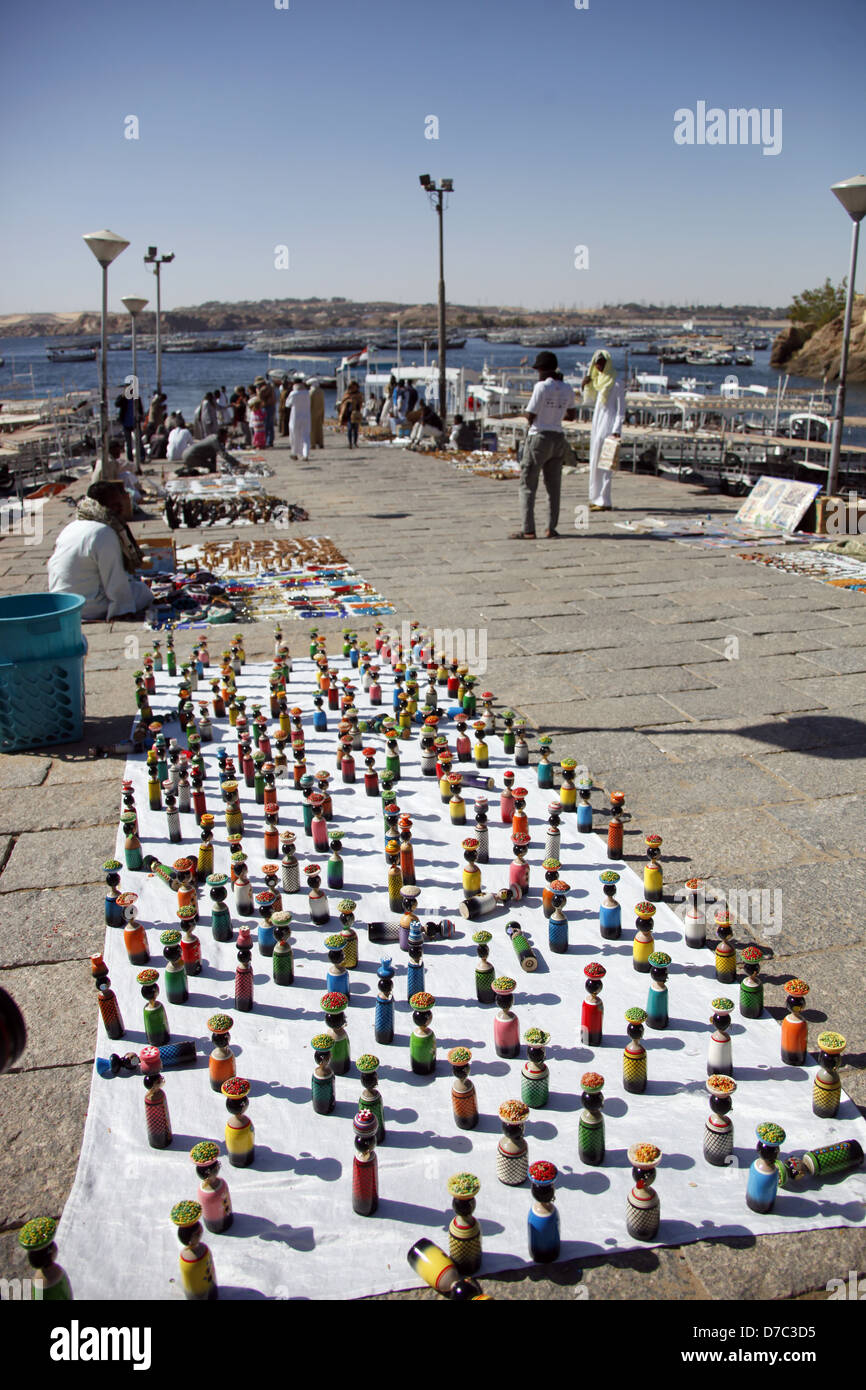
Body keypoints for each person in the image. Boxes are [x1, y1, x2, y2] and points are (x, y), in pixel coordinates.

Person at [47, 481, 152, 621]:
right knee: (143, 592)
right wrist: (123, 609)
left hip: (62, 604)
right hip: (87, 607)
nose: (121, 510)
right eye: (116, 506)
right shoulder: (103, 531)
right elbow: (114, 578)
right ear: (102, 506)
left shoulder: (72, 526)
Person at [511, 350, 576, 540]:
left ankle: (528, 529)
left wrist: (539, 417)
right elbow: (571, 415)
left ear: (542, 369)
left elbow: (531, 414)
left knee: (528, 485)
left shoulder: (541, 387)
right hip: (558, 438)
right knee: (553, 488)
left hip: (539, 437)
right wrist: (555, 415)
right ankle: (551, 528)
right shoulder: (567, 388)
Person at [582, 350, 625, 510]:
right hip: (597, 424)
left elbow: (621, 409)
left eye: (601, 363)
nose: (598, 367)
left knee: (606, 464)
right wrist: (585, 385)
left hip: (609, 425)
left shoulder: (616, 382)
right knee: (594, 461)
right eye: (596, 364)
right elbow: (590, 400)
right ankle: (594, 497)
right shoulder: (598, 381)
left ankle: (604, 500)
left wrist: (616, 430)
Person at [177, 428, 242, 475]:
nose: (226, 439)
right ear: (222, 436)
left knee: (212, 467)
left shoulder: (213, 437)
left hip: (186, 453)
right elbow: (224, 455)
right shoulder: (215, 441)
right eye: (225, 437)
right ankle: (188, 465)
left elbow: (213, 455)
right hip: (190, 456)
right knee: (211, 466)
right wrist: (237, 463)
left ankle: (188, 465)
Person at [288, 376, 311, 459]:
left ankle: (294, 453)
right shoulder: (307, 393)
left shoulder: (293, 393)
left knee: (294, 435)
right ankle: (305, 454)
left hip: (295, 417)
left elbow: (288, 404)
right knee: (305, 435)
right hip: (306, 416)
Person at [339, 381, 362, 448]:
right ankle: (350, 443)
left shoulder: (358, 395)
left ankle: (355, 442)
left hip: (356, 414)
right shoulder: (347, 394)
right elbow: (343, 403)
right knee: (349, 429)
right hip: (348, 414)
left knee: (355, 429)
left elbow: (360, 403)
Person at [258, 377, 276, 447]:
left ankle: (267, 441)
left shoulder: (264, 389)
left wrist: (258, 391)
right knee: (270, 425)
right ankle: (270, 441)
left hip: (267, 407)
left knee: (266, 425)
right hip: (271, 406)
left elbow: (260, 396)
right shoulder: (270, 387)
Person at [308, 378, 325, 448]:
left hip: (312, 412)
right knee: (319, 429)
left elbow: (310, 403)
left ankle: (313, 443)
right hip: (320, 411)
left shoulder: (311, 392)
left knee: (312, 429)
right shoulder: (321, 391)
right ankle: (321, 443)